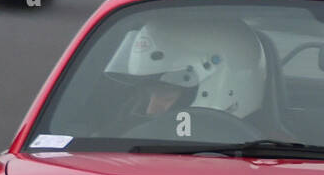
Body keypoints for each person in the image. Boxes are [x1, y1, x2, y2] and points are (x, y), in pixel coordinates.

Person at [103, 15, 269, 137]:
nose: (150, 109)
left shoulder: (273, 152)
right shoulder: (114, 138)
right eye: (147, 94)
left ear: (225, 87)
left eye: (165, 95)